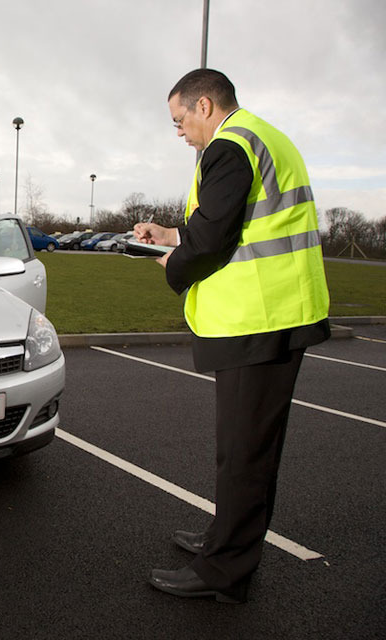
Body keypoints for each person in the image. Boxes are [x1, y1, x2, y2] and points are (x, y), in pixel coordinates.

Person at [134, 69, 330, 603]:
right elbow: (234, 223)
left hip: (259, 319)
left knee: (244, 452)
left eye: (179, 121)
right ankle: (226, 540)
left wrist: (173, 259)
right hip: (276, 313)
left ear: (204, 105)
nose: (179, 132)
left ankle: (224, 573)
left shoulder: (230, 146)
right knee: (247, 449)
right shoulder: (263, 136)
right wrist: (174, 232)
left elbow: (215, 238)